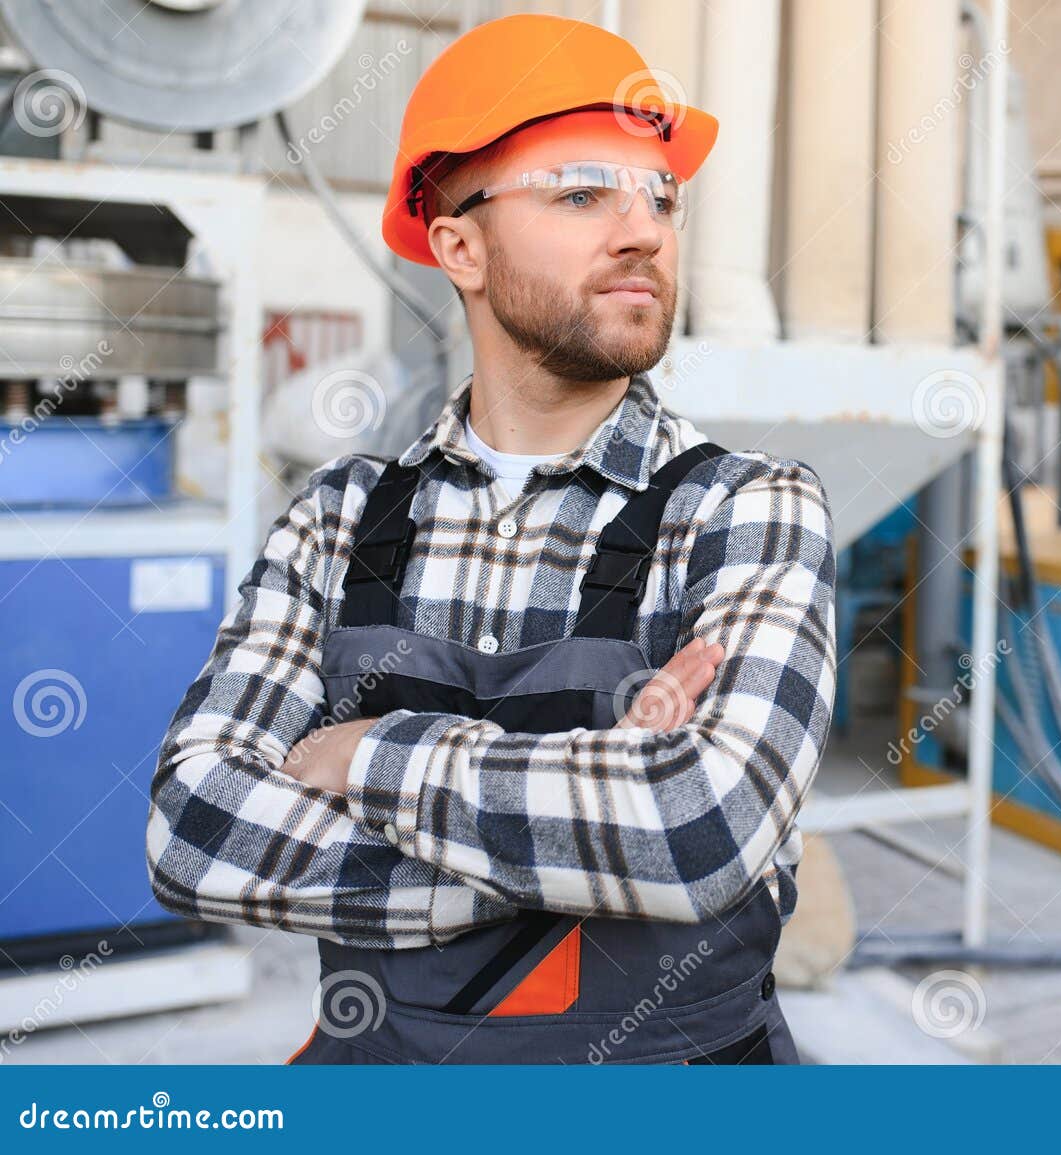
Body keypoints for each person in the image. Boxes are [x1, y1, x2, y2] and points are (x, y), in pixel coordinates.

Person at [145, 13, 836, 1065]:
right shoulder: (337, 521)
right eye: (580, 193)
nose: (643, 229)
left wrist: (370, 757)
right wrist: (582, 864)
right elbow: (195, 832)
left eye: (660, 197)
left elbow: (701, 830)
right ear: (458, 246)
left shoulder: (748, 512)